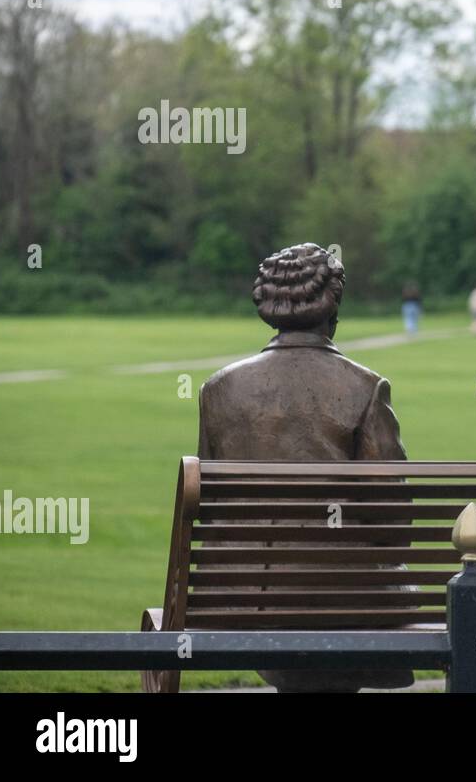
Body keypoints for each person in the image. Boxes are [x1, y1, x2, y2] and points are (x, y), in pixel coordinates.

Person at [196, 243, 411, 693]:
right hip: (346, 604)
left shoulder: (219, 389)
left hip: (240, 600)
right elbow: (394, 521)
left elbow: (213, 511)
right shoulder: (366, 387)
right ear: (334, 305)